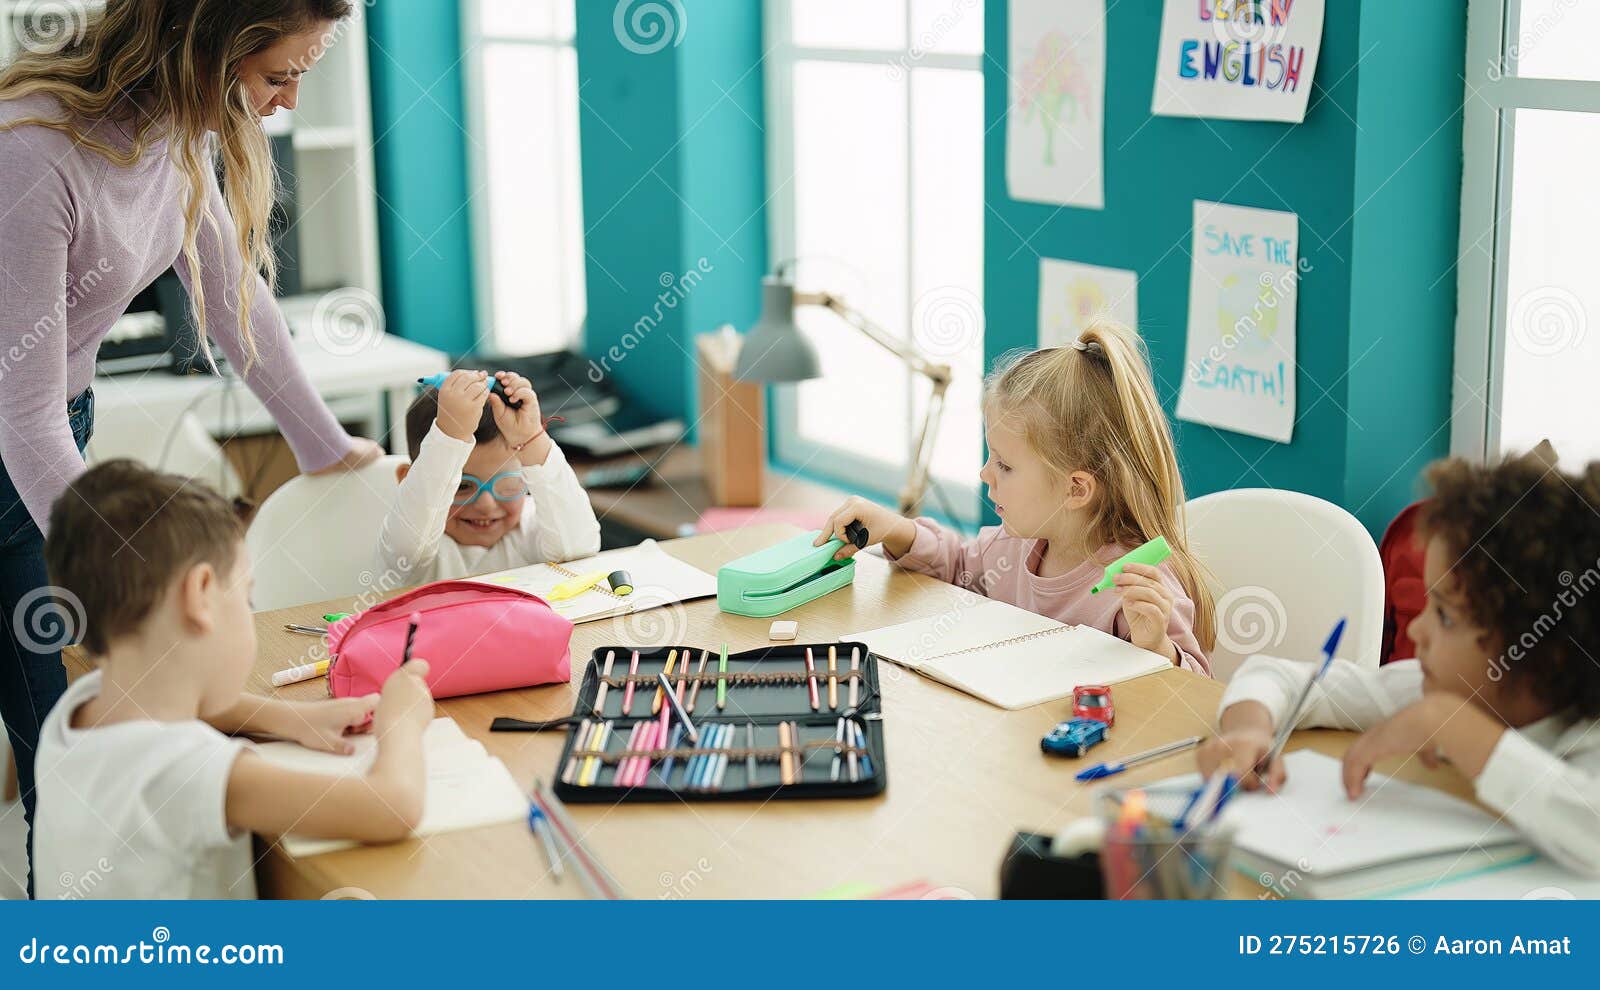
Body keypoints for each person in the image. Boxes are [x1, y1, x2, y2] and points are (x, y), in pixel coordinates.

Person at [0, 0, 382, 893]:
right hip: (15, 444)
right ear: (205, 47)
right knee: (68, 733)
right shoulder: (33, 154)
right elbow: (20, 415)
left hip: (60, 426)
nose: (284, 103)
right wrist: (129, 572)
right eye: (276, 74)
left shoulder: (174, 125)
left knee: (121, 696)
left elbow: (228, 293)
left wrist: (325, 449)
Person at [818, 324, 1214, 674]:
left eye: (1005, 465)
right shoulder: (1012, 547)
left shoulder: (1136, 584)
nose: (985, 473)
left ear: (1076, 489)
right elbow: (958, 567)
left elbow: (1197, 696)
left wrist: (1157, 647)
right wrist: (895, 529)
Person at [377, 370, 602, 584]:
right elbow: (410, 538)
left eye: (508, 483)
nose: (486, 505)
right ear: (406, 479)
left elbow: (579, 549)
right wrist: (450, 436)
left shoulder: (534, 524)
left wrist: (532, 439)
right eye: (462, 486)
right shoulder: (414, 550)